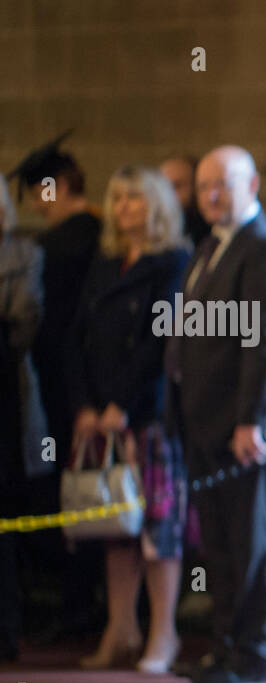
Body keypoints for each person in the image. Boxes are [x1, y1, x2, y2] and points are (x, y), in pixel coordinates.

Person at [175, 146, 266, 683]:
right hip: (205, 421)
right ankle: (225, 645)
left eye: (221, 185)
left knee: (252, 539)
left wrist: (251, 420)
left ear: (252, 184)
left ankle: (255, 650)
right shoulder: (210, 246)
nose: (209, 195)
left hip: (246, 424)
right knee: (220, 542)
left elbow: (265, 341)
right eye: (203, 185)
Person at [67, 166, 191, 673]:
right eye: (117, 200)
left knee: (158, 527)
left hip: (149, 413)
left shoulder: (175, 261)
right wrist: (85, 406)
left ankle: (164, 633)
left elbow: (162, 342)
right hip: (101, 418)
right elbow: (76, 339)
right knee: (115, 524)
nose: (123, 209)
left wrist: (125, 403)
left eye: (135, 200)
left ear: (157, 206)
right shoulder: (105, 263)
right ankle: (120, 628)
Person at [8, 132, 105, 640]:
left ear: (64, 184)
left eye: (43, 189)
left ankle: (77, 603)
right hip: (52, 384)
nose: (36, 202)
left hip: (71, 388)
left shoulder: (82, 239)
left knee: (78, 490)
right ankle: (69, 601)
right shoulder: (77, 237)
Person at [0, 177, 48, 662]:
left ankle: (4, 628)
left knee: (4, 527)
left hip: (5, 401)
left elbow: (20, 331)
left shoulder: (24, 256)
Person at [159, 155, 212, 248]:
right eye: (163, 187)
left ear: (196, 187)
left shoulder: (211, 235)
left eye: (176, 186)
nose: (167, 195)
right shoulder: (154, 231)